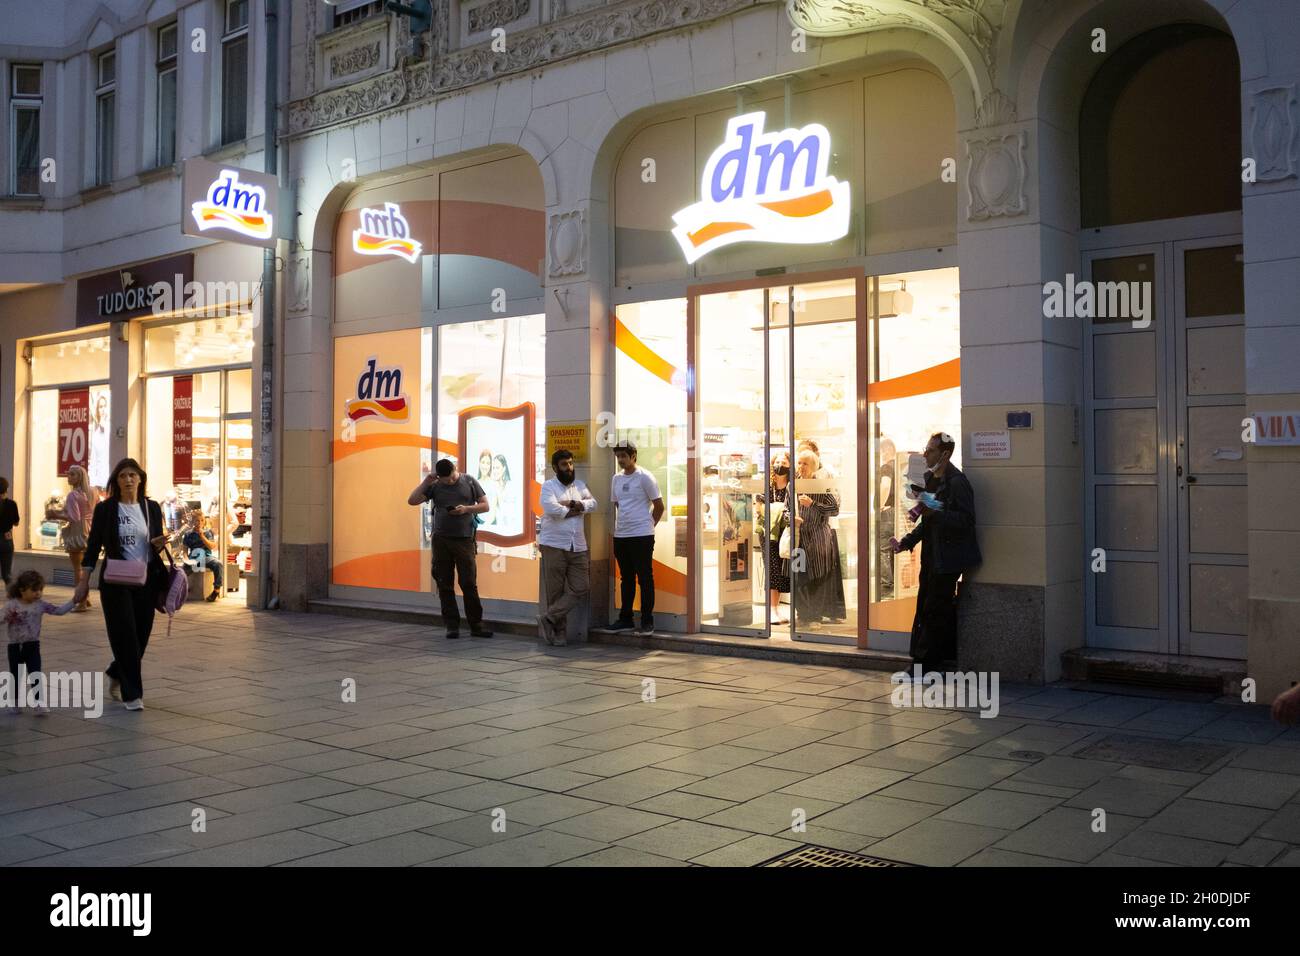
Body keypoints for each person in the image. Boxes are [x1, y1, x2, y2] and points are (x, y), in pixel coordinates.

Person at [74, 458, 170, 711]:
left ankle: (117, 671)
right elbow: (93, 546)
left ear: (140, 479)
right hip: (115, 581)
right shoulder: (106, 509)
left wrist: (158, 543)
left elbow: (153, 542)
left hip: (146, 579)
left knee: (141, 636)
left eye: (132, 475)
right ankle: (132, 695)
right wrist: (83, 582)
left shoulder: (151, 508)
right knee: (125, 635)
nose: (128, 480)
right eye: (123, 476)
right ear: (116, 481)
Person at [890, 431, 981, 677]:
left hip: (947, 559)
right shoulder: (931, 479)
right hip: (932, 556)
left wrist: (936, 512)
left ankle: (923, 665)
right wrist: (905, 542)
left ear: (945, 454)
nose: (925, 454)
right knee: (926, 607)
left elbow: (966, 520)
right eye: (926, 449)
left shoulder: (957, 482)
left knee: (934, 609)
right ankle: (926, 661)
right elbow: (926, 521)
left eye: (930, 450)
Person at [408, 458, 493, 639]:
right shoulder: (435, 485)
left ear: (455, 469)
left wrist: (466, 509)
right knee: (444, 583)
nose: (450, 481)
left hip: (464, 540)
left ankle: (476, 625)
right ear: (439, 477)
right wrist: (427, 481)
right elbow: (412, 500)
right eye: (446, 480)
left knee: (468, 583)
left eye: (452, 477)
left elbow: (485, 506)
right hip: (441, 540)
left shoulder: (469, 481)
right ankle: (452, 625)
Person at [537, 449, 597, 646]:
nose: (569, 468)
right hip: (553, 544)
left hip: (577, 545)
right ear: (555, 468)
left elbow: (594, 504)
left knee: (582, 586)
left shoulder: (580, 486)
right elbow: (551, 508)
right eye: (564, 464)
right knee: (554, 592)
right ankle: (559, 634)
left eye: (571, 463)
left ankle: (549, 617)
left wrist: (572, 503)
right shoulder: (548, 486)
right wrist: (576, 510)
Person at [609, 440, 664, 635]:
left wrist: (648, 525)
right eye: (618, 456)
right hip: (621, 535)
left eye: (624, 456)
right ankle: (626, 619)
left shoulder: (645, 477)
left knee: (645, 578)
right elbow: (618, 504)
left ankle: (647, 621)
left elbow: (659, 506)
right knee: (626, 578)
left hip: (642, 535)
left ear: (633, 456)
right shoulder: (616, 478)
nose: (620, 460)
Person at [5, 570, 75, 715]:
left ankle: (39, 702)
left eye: (40, 590)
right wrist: (7, 617)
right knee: (15, 675)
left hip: (32, 645)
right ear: (22, 590)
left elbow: (59, 611)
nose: (38, 593)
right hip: (15, 646)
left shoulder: (40, 605)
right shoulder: (12, 606)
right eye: (34, 590)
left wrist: (74, 601)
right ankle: (15, 702)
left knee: (35, 674)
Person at [792, 448, 843, 628]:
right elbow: (786, 509)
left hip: (818, 538)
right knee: (799, 576)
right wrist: (790, 517)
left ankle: (814, 616)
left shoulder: (821, 485)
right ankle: (803, 614)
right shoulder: (793, 485)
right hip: (798, 538)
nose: (801, 467)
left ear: (814, 466)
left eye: (805, 463)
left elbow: (834, 509)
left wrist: (813, 504)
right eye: (799, 463)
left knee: (817, 576)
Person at [45, 465, 93, 612]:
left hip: (77, 532)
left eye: (73, 474)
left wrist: (55, 514)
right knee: (85, 568)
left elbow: (73, 517)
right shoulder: (91, 492)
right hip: (89, 530)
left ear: (80, 477)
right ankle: (86, 598)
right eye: (69, 474)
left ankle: (81, 601)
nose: (69, 477)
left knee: (77, 569)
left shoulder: (73, 495)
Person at [756, 451, 791, 624]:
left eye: (784, 462)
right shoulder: (767, 485)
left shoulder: (792, 486)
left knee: (783, 571)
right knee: (772, 569)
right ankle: (772, 610)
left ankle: (777, 609)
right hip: (768, 532)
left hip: (786, 533)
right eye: (777, 462)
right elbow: (759, 507)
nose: (780, 465)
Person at [182, 509, 222, 602]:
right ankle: (180, 591)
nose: (200, 523)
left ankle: (216, 590)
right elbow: (184, 551)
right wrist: (186, 559)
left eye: (202, 520)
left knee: (218, 564)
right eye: (197, 520)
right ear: (193, 521)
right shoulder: (188, 534)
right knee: (181, 572)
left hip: (206, 557)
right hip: (194, 557)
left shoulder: (208, 532)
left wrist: (202, 536)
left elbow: (212, 546)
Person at [0, 477, 18, 587]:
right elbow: (16, 522)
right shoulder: (12, 504)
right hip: (7, 540)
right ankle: (12, 595)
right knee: (7, 575)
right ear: (6, 489)